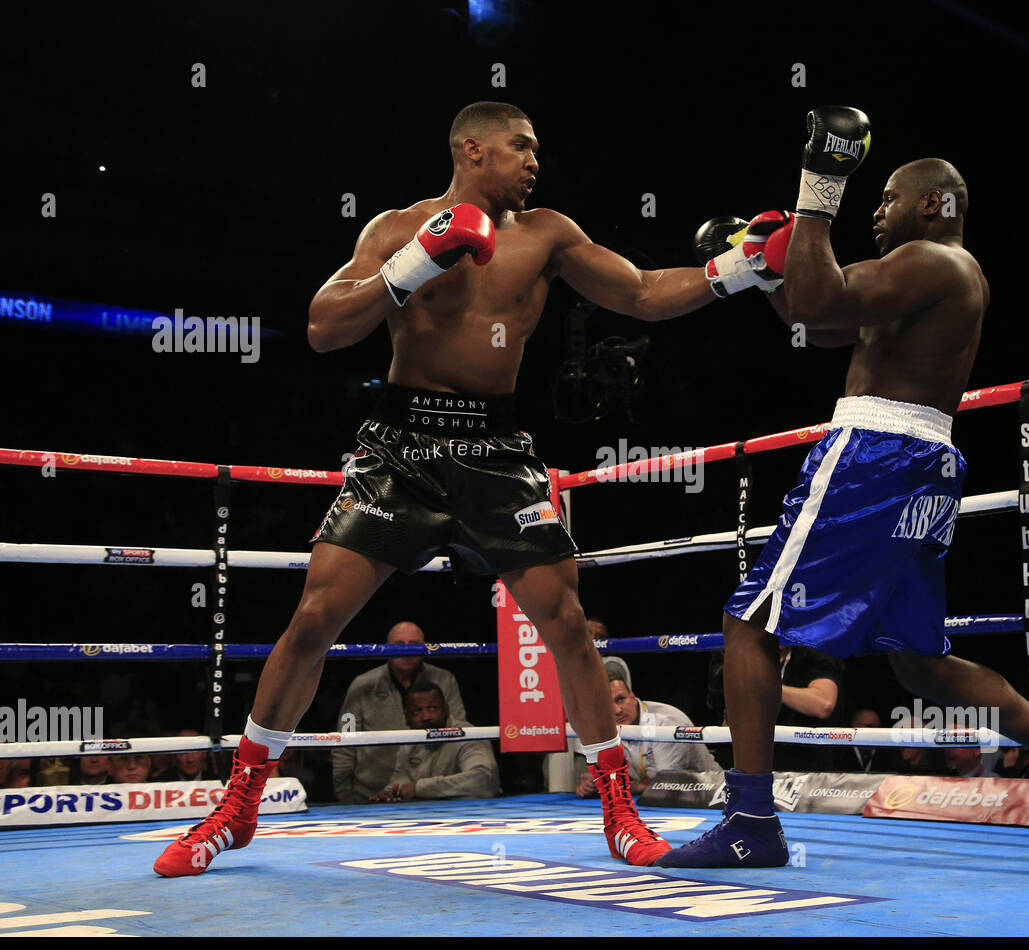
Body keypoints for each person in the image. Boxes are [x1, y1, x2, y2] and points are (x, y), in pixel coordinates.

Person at [154, 100, 776, 877]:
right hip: (400, 446)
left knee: (568, 622)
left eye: (536, 149)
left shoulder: (549, 232)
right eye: (520, 147)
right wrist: (416, 262)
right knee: (314, 616)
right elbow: (322, 326)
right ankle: (239, 806)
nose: (533, 161)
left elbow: (644, 291)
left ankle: (618, 808)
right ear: (471, 151)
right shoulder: (395, 228)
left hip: (496, 448)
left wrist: (740, 268)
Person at [658, 107, 1029, 868]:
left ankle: (751, 820)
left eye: (885, 198)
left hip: (875, 455)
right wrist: (758, 268)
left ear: (930, 203)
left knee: (749, 625)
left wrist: (820, 189)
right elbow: (818, 324)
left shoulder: (936, 261)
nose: (876, 212)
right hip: (914, 461)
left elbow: (821, 302)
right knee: (918, 660)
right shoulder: (918, 278)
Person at [332, 620, 467, 803]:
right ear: (386, 648)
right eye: (398, 645)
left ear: (425, 647)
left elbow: (458, 732)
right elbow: (345, 739)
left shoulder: (444, 681)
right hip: (368, 793)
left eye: (414, 645)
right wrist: (344, 793)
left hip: (431, 792)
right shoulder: (362, 685)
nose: (406, 650)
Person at [575, 658, 720, 797]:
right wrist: (593, 784)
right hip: (661, 801)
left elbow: (665, 785)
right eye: (607, 705)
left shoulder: (665, 723)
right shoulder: (606, 725)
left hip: (712, 795)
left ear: (632, 697)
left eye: (620, 699)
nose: (617, 710)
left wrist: (620, 785)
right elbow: (607, 778)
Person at [371, 681, 498, 801]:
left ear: (446, 710)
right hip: (427, 815)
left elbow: (483, 780)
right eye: (417, 711)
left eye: (432, 708)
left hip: (470, 815)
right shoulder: (409, 742)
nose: (426, 717)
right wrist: (389, 794)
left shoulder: (467, 735)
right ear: (407, 717)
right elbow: (401, 784)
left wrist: (419, 788)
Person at [773, 645, 845, 771]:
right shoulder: (748, 658)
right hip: (755, 761)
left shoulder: (815, 656)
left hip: (807, 766)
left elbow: (823, 704)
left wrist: (769, 688)